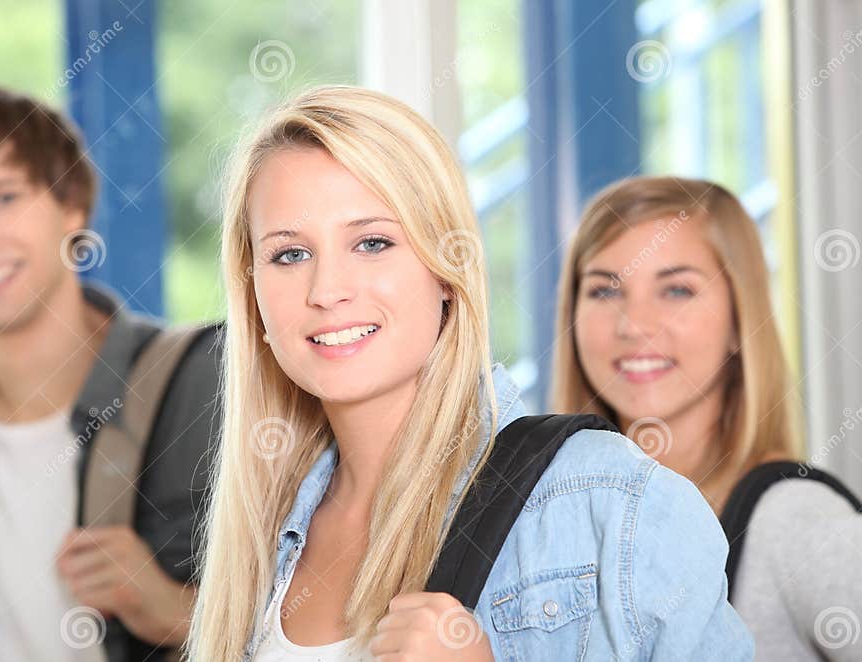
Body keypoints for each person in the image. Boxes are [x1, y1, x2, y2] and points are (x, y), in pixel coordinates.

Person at [185, 86, 753, 661]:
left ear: (447, 273)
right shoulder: (260, 534)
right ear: (252, 294)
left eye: (373, 242)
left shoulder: (611, 502)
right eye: (290, 254)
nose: (327, 291)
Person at [0, 85, 222, 662]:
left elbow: (326, 623)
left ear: (72, 207)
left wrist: (175, 612)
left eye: (3, 197)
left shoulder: (206, 384)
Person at [552, 175, 862, 660]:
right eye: (604, 290)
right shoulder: (557, 534)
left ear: (741, 319)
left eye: (676, 290)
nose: (633, 324)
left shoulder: (793, 520)